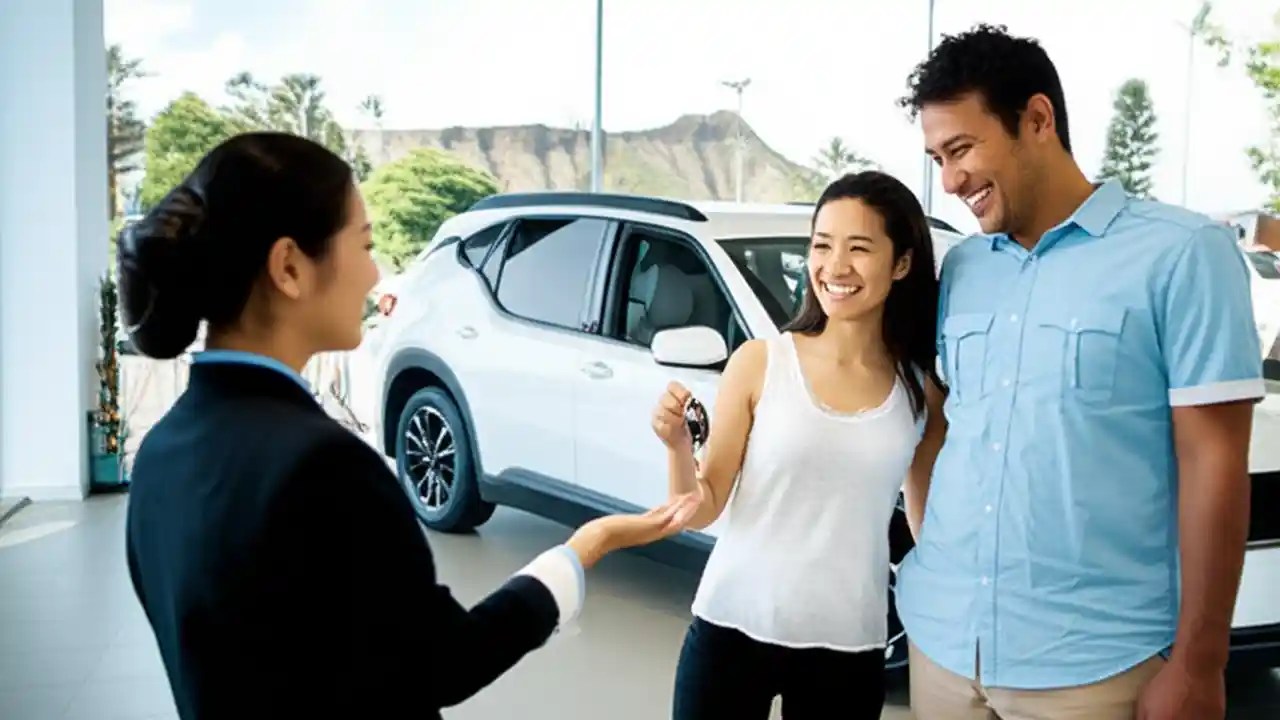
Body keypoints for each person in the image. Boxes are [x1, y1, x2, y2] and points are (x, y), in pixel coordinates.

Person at [118, 131, 698, 720]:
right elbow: (445, 661)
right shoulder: (326, 466)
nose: (376, 276)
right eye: (364, 245)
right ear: (289, 266)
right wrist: (583, 548)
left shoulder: (160, 453)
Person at [894, 24, 1263, 720]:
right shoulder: (965, 267)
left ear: (1038, 120)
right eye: (937, 158)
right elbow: (944, 426)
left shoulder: (1184, 254)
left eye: (962, 149)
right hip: (942, 643)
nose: (949, 181)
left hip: (1094, 666)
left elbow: (1215, 463)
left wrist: (1200, 661)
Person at [650, 170, 948, 719]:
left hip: (848, 646)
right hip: (732, 627)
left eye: (859, 248)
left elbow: (927, 524)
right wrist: (676, 446)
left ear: (902, 264)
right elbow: (702, 506)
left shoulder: (919, 389)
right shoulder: (760, 362)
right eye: (822, 245)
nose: (835, 266)